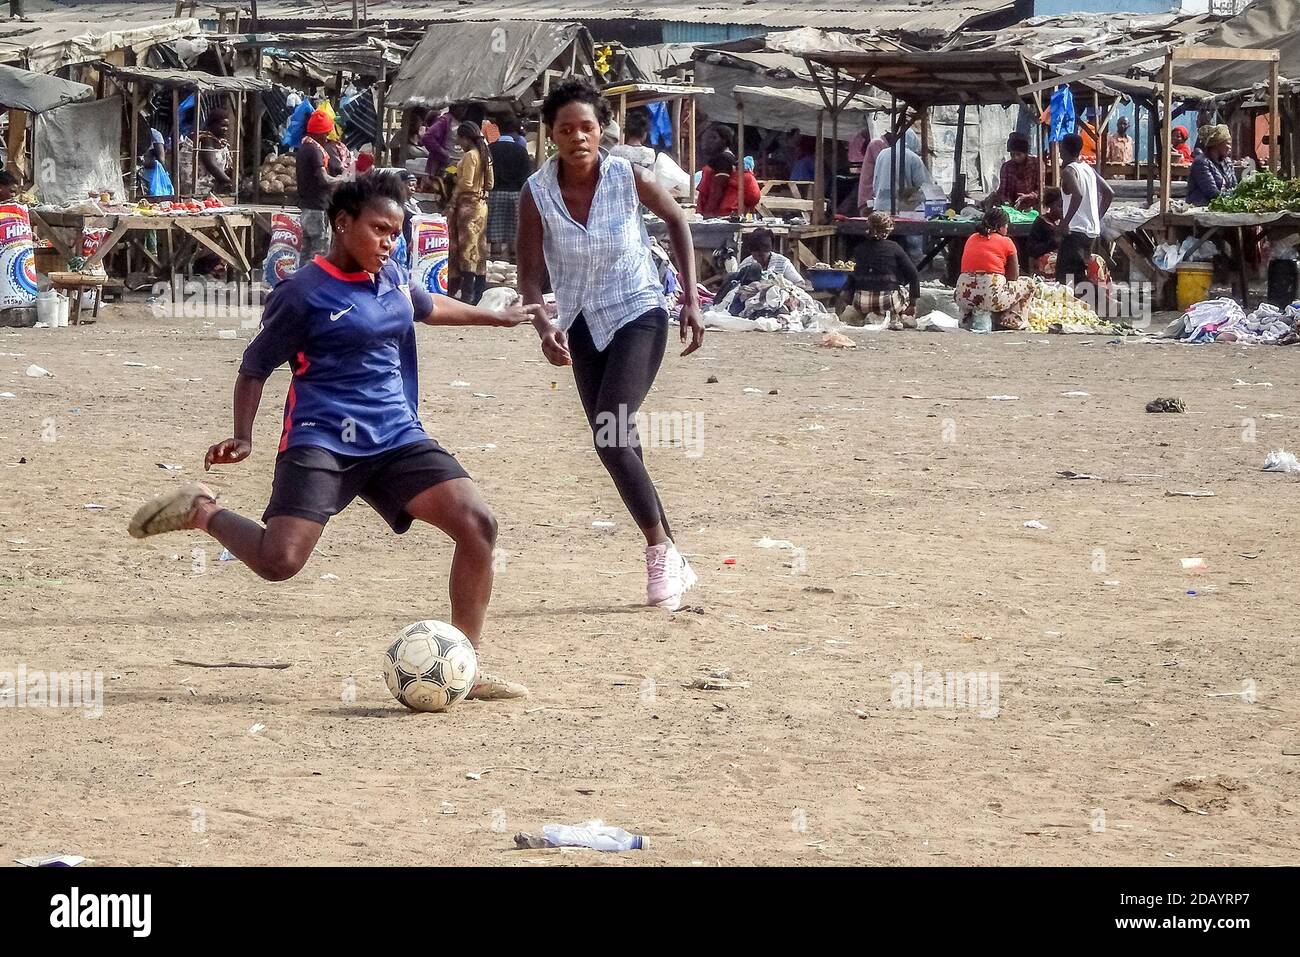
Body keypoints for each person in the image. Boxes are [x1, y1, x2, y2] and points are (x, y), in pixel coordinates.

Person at [127, 170, 543, 699]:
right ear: (343, 224)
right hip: (322, 439)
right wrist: (244, 435)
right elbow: (254, 367)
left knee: (477, 523)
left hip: (395, 436)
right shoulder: (302, 293)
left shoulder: (391, 275)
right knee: (280, 562)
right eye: (379, 230)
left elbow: (427, 306)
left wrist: (495, 318)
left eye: (396, 233)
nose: (389, 243)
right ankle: (201, 511)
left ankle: (465, 662)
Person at [517, 78, 706, 611]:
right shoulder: (537, 193)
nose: (578, 137)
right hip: (579, 323)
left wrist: (689, 299)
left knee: (609, 434)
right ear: (551, 135)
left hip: (639, 312)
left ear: (602, 131)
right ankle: (673, 550)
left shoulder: (629, 176)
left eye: (587, 127)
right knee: (619, 439)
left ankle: (658, 549)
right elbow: (530, 276)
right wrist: (542, 325)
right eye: (566, 129)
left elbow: (677, 221)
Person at [954, 207, 1034, 331]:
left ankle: (965, 319)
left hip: (963, 296)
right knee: (1028, 284)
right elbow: (1014, 276)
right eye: (1006, 226)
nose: (1007, 229)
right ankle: (1011, 320)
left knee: (972, 288)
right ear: (999, 226)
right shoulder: (1007, 242)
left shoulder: (971, 238)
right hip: (991, 297)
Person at [1058, 132, 1113, 289]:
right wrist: (1096, 215)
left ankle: (1108, 302)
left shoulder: (1069, 171)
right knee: (1079, 276)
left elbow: (1078, 194)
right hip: (1091, 232)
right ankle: (1103, 302)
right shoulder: (1087, 169)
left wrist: (1065, 221)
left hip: (1075, 231)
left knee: (1068, 279)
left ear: (1063, 150)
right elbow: (1109, 193)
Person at [447, 121, 493, 304]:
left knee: (465, 247)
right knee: (479, 247)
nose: (458, 141)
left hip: (467, 206)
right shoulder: (485, 155)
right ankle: (478, 292)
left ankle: (466, 294)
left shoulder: (469, 156)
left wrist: (453, 195)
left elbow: (465, 184)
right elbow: (490, 184)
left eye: (459, 138)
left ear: (465, 138)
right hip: (481, 205)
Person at [847, 212, 919, 330]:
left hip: (861, 303)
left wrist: (850, 299)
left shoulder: (859, 249)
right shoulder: (894, 247)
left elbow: (852, 276)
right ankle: (898, 317)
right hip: (888, 302)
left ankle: (866, 316)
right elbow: (914, 275)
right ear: (888, 229)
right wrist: (913, 304)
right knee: (903, 292)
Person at [297, 109, 345, 261]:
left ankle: (302, 283)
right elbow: (324, 179)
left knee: (306, 252)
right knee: (319, 253)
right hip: (317, 208)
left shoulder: (304, 148)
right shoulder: (315, 151)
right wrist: (344, 179)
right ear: (319, 134)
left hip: (306, 207)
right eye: (326, 133)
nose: (327, 138)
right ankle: (314, 284)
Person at [488, 118, 531, 259]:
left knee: (495, 230)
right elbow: (526, 175)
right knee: (514, 230)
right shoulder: (521, 151)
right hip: (516, 194)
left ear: (499, 130)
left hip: (495, 193)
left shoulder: (491, 149)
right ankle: (513, 263)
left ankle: (494, 260)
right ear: (515, 131)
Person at [872, 131, 932, 213]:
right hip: (902, 207)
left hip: (881, 205)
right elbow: (925, 186)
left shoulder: (882, 154)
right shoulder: (913, 157)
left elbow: (876, 181)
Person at [179, 108, 233, 197]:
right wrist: (229, 182)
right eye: (222, 125)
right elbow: (211, 165)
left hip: (207, 187)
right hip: (197, 187)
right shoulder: (205, 139)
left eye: (227, 126)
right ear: (212, 125)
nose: (225, 129)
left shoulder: (219, 141)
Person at [696, 150, 760, 218]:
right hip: (732, 212)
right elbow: (754, 198)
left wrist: (707, 212)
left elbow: (712, 194)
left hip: (724, 212)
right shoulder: (746, 177)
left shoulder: (732, 176)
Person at [735, 227, 806, 287]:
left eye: (761, 255)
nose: (758, 258)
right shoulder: (747, 264)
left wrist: (783, 288)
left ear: (769, 251)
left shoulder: (782, 262)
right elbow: (736, 284)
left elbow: (801, 284)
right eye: (755, 255)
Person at [1187, 124, 1237, 207]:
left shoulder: (1227, 162)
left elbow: (1235, 187)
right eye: (1228, 144)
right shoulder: (1201, 162)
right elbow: (1212, 193)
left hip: (1221, 205)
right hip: (1201, 206)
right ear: (1217, 144)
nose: (1230, 147)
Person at [993, 132, 1040, 209]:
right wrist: (1005, 201)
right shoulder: (1006, 167)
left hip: (1033, 206)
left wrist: (1028, 196)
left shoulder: (1037, 164)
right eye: (1012, 155)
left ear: (1025, 153)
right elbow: (1003, 190)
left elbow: (1041, 189)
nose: (1015, 158)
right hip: (1013, 206)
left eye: (1019, 154)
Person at [855, 131, 889, 214]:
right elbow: (885, 167)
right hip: (870, 198)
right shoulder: (877, 143)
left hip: (874, 198)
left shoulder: (881, 145)